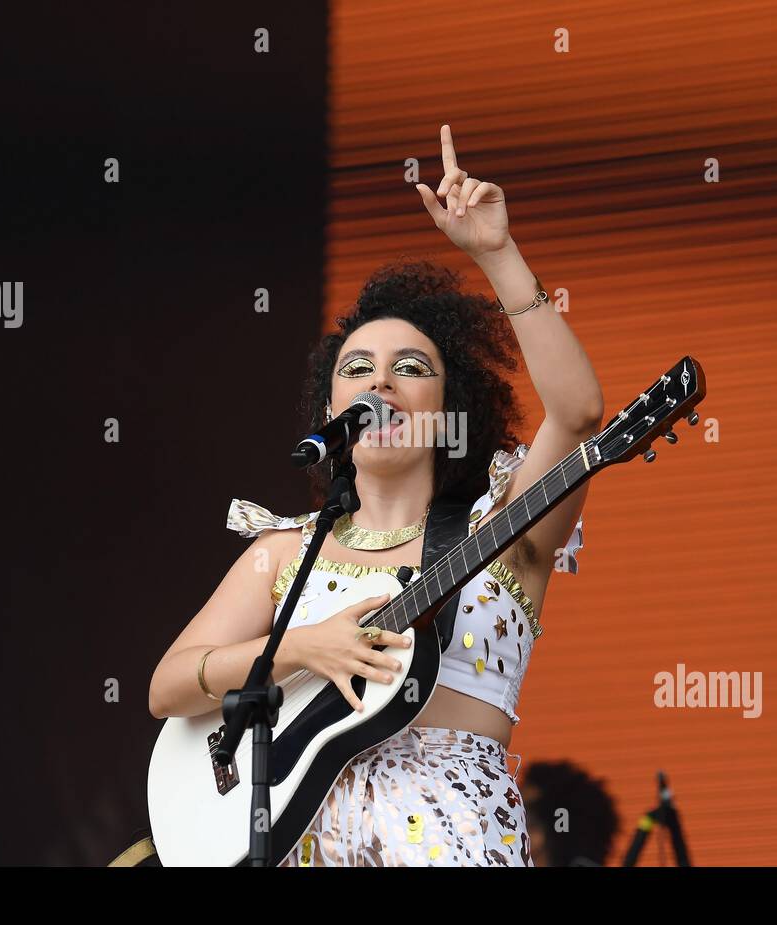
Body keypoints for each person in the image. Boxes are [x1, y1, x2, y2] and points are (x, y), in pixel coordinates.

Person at [149, 124, 604, 866]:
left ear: (452, 410)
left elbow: (579, 413)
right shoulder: (283, 553)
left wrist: (496, 253)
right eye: (357, 368)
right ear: (332, 410)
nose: (379, 383)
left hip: (451, 841)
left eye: (410, 368)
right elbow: (170, 686)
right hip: (298, 839)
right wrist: (304, 648)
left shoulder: (508, 531)